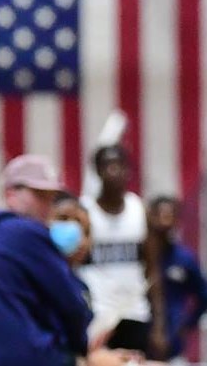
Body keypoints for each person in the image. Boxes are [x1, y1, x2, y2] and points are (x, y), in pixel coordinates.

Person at [0, 155, 93, 366]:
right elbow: (72, 306)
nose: (47, 205)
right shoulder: (23, 232)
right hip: (22, 356)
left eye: (51, 197)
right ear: (10, 194)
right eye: (39, 195)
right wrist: (81, 355)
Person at [80, 144, 159, 355]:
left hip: (134, 311)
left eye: (118, 164)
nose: (113, 170)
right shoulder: (85, 211)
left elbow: (153, 269)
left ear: (128, 170)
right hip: (97, 311)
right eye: (107, 165)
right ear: (97, 171)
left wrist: (159, 325)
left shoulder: (139, 209)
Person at [147, 195, 207, 362]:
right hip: (138, 344)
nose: (163, 223)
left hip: (172, 347)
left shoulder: (183, 259)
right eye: (159, 216)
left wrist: (186, 324)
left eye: (169, 216)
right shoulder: (140, 257)